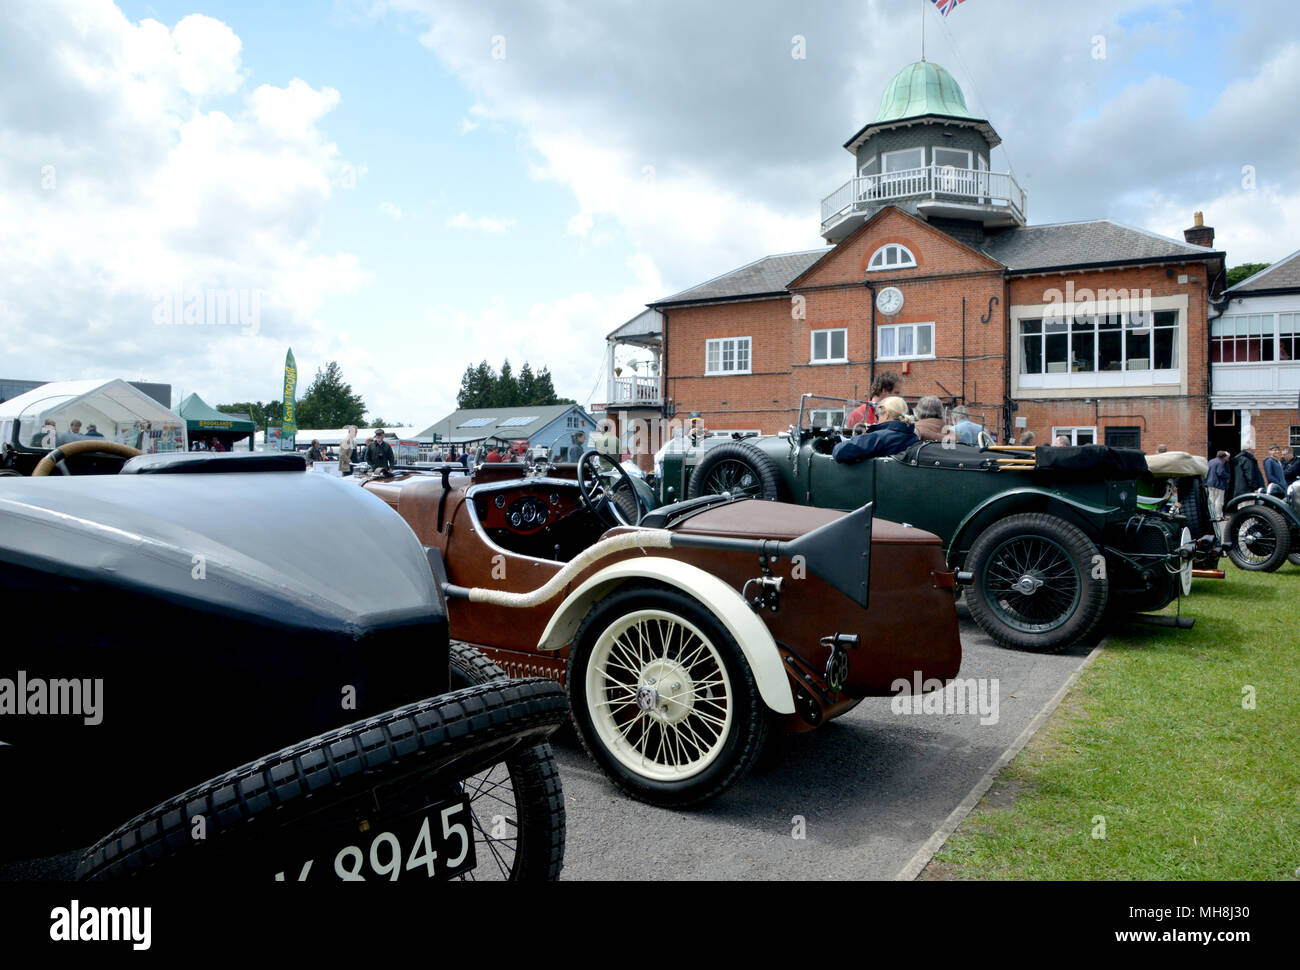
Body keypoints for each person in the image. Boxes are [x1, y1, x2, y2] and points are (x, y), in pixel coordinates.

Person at [832, 397, 918, 462]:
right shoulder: (912, 435)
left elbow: (839, 451)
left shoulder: (879, 437)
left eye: (877, 416)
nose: (877, 420)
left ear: (886, 415)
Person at [1205, 450, 1230, 522]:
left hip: (1210, 483)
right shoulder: (1220, 463)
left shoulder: (1211, 461)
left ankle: (1212, 515)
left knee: (1211, 500)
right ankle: (1219, 516)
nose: (1228, 459)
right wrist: (1228, 476)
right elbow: (1220, 473)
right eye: (1227, 457)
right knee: (1219, 501)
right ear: (1224, 457)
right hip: (1218, 484)